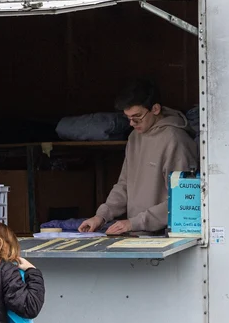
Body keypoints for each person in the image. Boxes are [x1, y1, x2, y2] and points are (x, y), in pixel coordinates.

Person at [79, 79, 199, 235]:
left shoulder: (175, 140)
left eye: (137, 117)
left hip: (166, 236)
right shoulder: (134, 137)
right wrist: (100, 216)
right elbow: (124, 185)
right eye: (127, 118)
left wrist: (133, 223)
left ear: (155, 109)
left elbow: (183, 200)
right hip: (137, 233)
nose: (132, 123)